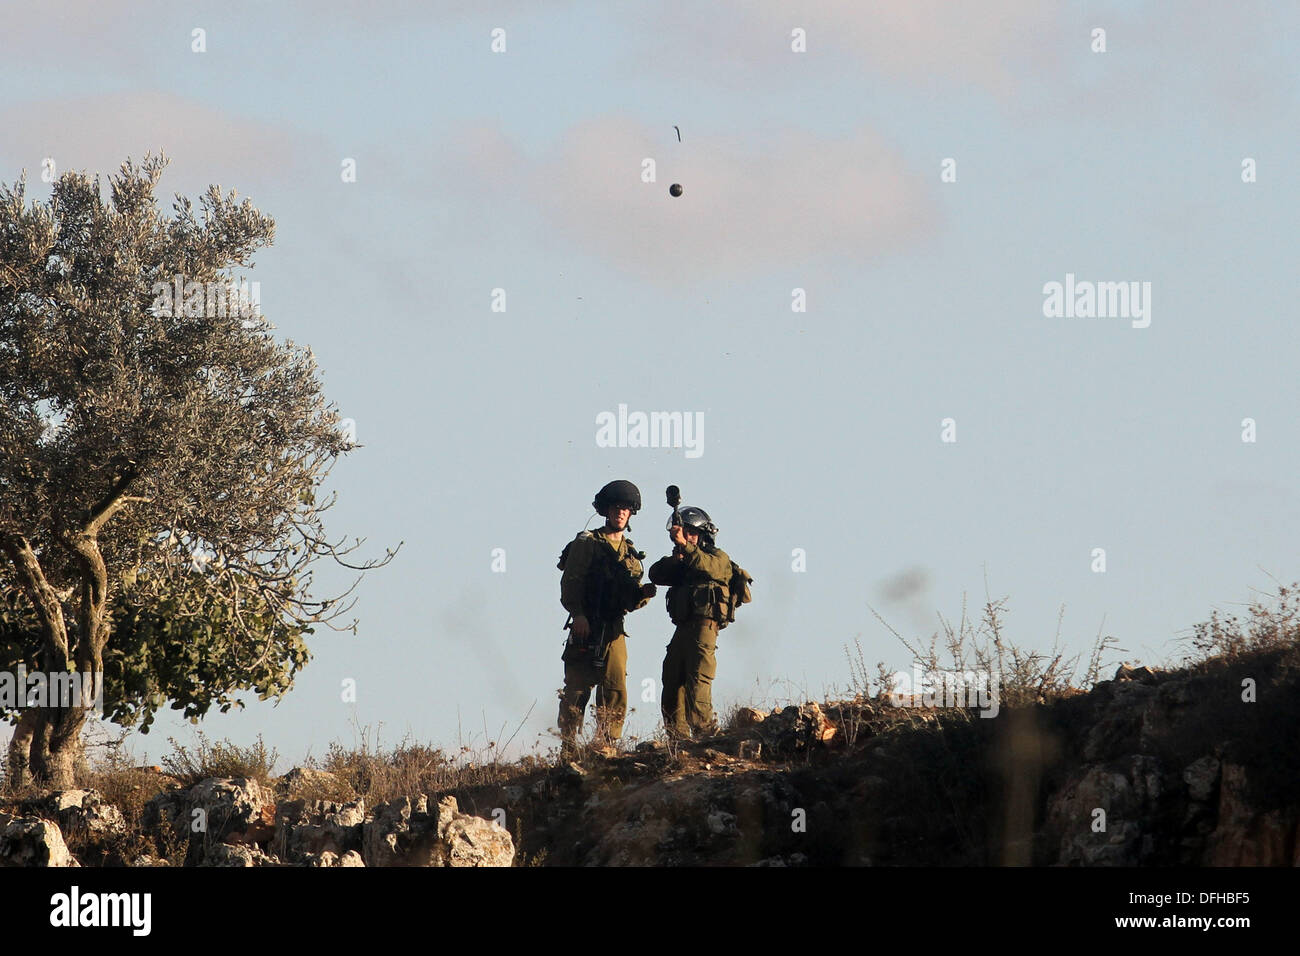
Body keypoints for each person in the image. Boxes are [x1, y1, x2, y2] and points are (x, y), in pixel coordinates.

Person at [557, 480, 656, 757]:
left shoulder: (631, 554)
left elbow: (628, 600)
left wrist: (643, 595)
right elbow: (571, 582)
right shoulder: (587, 543)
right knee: (577, 687)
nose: (621, 513)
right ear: (606, 510)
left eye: (626, 508)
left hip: (614, 629)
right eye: (616, 507)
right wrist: (577, 615)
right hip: (586, 624)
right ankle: (569, 747)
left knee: (614, 686)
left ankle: (606, 745)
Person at [648, 504, 737, 740]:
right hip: (683, 629)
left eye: (692, 533)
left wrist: (686, 548)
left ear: (704, 535)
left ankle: (704, 733)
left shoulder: (718, 558)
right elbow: (656, 574)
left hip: (704, 628)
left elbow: (711, 568)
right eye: (683, 533)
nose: (687, 537)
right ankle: (677, 739)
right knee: (671, 678)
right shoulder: (684, 561)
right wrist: (678, 556)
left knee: (698, 680)